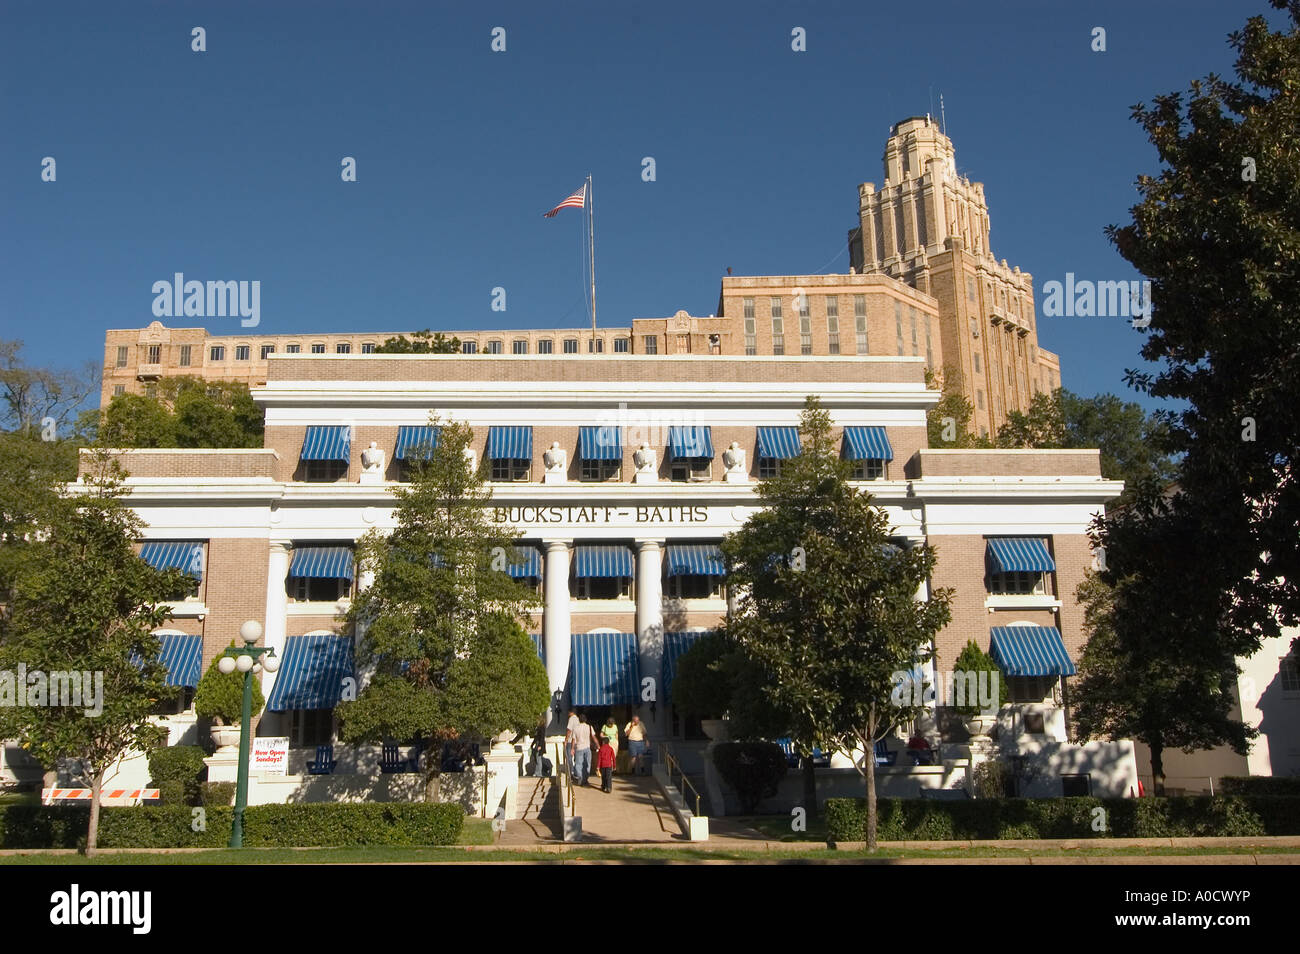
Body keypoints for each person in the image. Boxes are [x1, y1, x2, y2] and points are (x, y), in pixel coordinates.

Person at [571, 714, 596, 786]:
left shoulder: (575, 728)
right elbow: (593, 736)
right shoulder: (589, 727)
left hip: (579, 747)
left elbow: (573, 740)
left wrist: (572, 748)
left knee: (578, 764)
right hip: (587, 747)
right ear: (585, 720)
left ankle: (580, 777)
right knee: (587, 764)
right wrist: (597, 745)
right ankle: (585, 779)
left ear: (579, 720)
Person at [565, 709, 580, 779]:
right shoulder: (578, 719)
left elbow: (569, 730)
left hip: (570, 741)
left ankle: (570, 772)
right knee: (577, 758)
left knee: (569, 758)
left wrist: (566, 739)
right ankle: (576, 773)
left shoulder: (571, 719)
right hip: (577, 741)